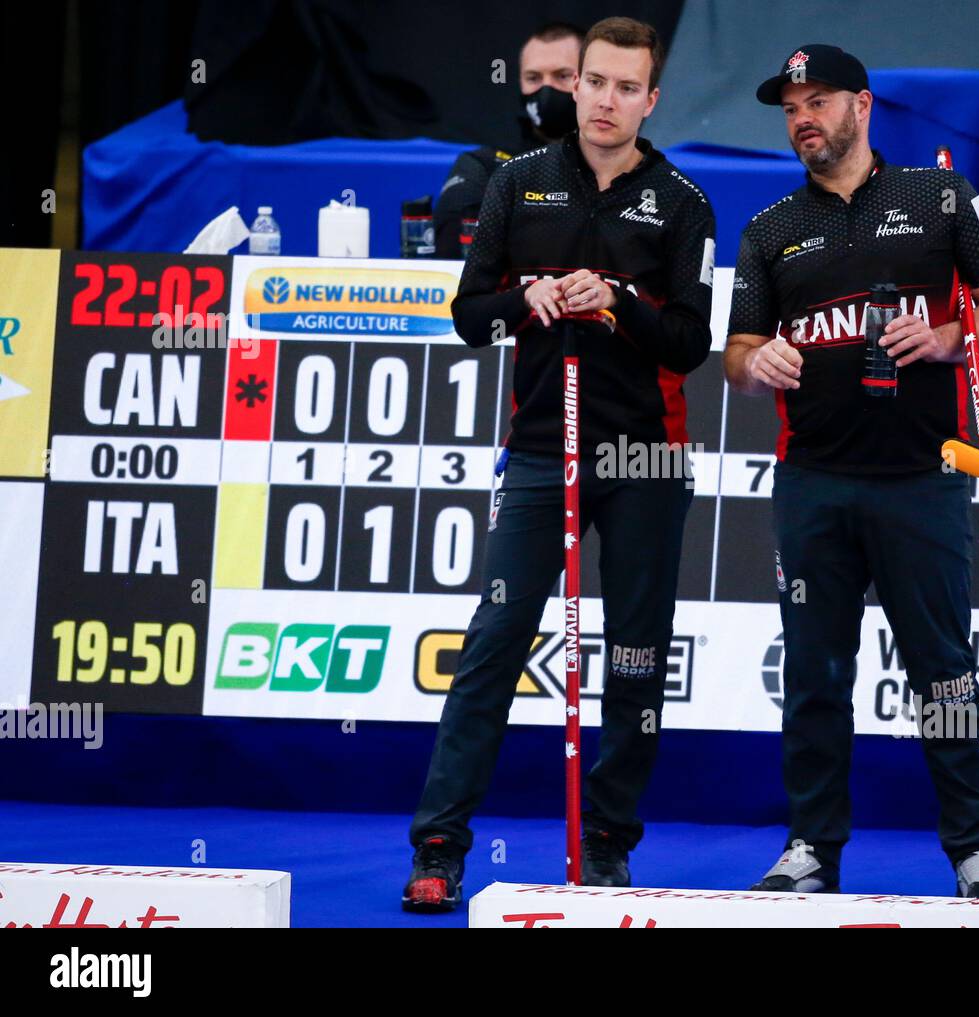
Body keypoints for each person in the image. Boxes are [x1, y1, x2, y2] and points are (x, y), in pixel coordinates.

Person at [403, 17, 716, 912]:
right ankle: (438, 843)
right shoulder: (517, 184)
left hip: (646, 456)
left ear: (651, 100)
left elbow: (691, 340)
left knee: (635, 657)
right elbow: (471, 313)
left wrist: (617, 301)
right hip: (543, 449)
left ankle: (610, 841)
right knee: (495, 643)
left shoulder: (683, 200)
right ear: (572, 86)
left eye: (628, 88)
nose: (608, 100)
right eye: (596, 82)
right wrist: (527, 297)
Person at [724, 44, 979, 898]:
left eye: (816, 101)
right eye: (789, 108)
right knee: (816, 670)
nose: (801, 120)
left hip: (921, 479)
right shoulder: (770, 228)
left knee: (945, 666)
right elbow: (736, 354)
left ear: (862, 105)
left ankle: (977, 846)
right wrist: (758, 364)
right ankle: (811, 847)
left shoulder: (939, 196)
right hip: (813, 483)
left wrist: (945, 338)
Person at [432, 21, 585, 259]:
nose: (546, 90)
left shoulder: (621, 167)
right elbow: (453, 254)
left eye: (562, 76)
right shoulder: (484, 166)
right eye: (533, 78)